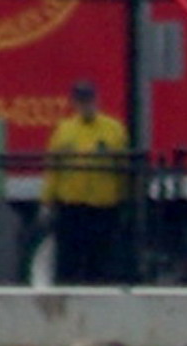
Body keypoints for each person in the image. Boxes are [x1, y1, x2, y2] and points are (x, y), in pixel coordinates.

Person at [41, 80, 131, 285]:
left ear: (97, 100)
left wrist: (126, 199)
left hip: (104, 206)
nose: (86, 105)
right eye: (81, 101)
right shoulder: (64, 130)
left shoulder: (113, 129)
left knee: (100, 261)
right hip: (72, 206)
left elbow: (124, 169)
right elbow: (53, 168)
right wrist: (47, 200)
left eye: (89, 100)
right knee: (68, 261)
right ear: (74, 103)